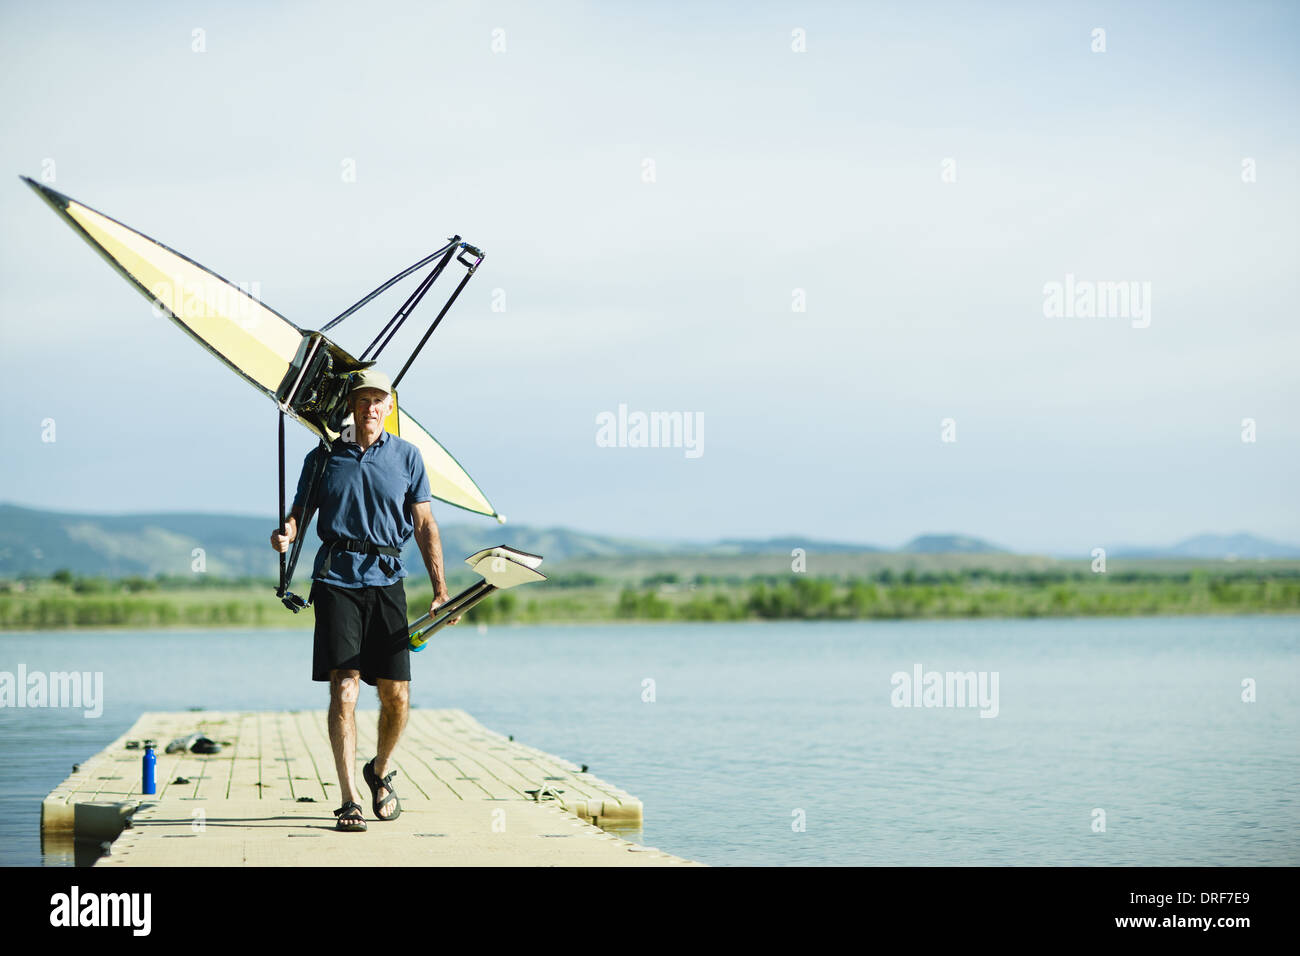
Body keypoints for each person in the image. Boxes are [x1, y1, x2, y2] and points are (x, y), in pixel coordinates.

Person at [270, 369, 458, 832]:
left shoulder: (408, 457)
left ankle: (379, 768)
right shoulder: (323, 458)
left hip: (388, 581)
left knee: (397, 695)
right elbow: (299, 514)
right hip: (336, 581)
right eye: (363, 400)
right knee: (345, 689)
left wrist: (440, 590)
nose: (370, 408)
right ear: (351, 406)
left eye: (378, 400)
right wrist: (286, 533)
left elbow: (425, 526)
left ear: (389, 407)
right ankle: (350, 798)